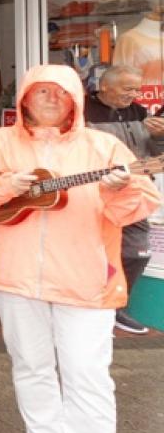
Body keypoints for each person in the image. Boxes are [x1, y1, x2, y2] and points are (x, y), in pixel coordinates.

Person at [0, 64, 160, 433]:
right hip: (14, 276)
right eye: (40, 91)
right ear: (23, 98)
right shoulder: (1, 142)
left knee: (86, 375)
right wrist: (6, 184)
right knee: (30, 365)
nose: (49, 99)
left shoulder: (102, 146)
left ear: (75, 100)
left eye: (59, 93)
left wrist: (117, 189)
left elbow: (139, 205)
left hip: (85, 280)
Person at [84, 64, 164, 334]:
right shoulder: (83, 111)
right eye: (128, 88)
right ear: (105, 86)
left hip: (133, 193)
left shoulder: (140, 112)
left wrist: (158, 136)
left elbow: (154, 154)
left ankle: (116, 306)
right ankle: (91, 307)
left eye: (137, 89)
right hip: (95, 193)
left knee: (136, 253)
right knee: (92, 253)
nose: (134, 94)